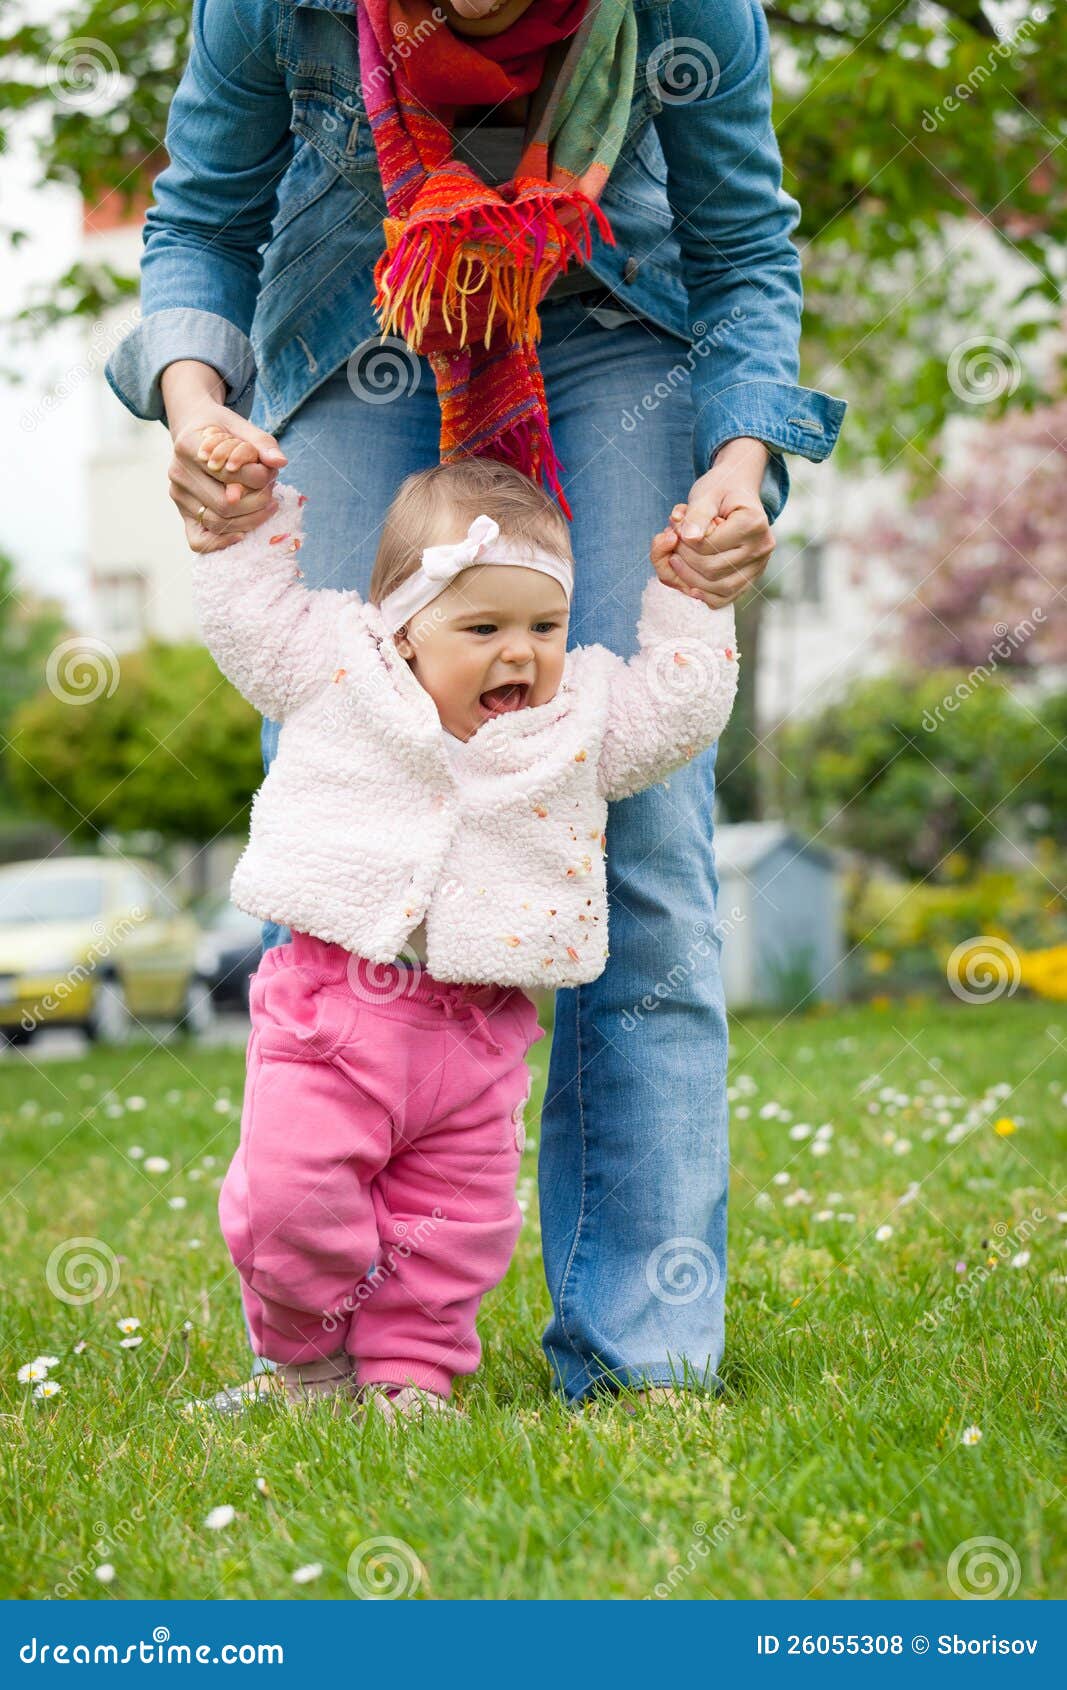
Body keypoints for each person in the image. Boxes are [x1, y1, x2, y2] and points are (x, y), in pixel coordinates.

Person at [105, 0, 845, 1403]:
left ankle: (643, 1355)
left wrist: (739, 469)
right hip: (361, 313)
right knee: (348, 786)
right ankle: (323, 1341)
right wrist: (198, 404)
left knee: (636, 829)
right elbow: (198, 216)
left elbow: (747, 250)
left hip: (623, 327)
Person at [190, 453, 739, 1417]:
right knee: (287, 1205)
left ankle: (411, 1377)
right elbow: (245, 622)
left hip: (473, 1041)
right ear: (403, 631)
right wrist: (246, 523)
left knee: (447, 1229)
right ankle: (304, 1363)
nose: (520, 653)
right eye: (482, 628)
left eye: (545, 626)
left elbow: (681, 714)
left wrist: (692, 598)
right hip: (327, 1015)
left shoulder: (578, 720)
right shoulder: (337, 667)